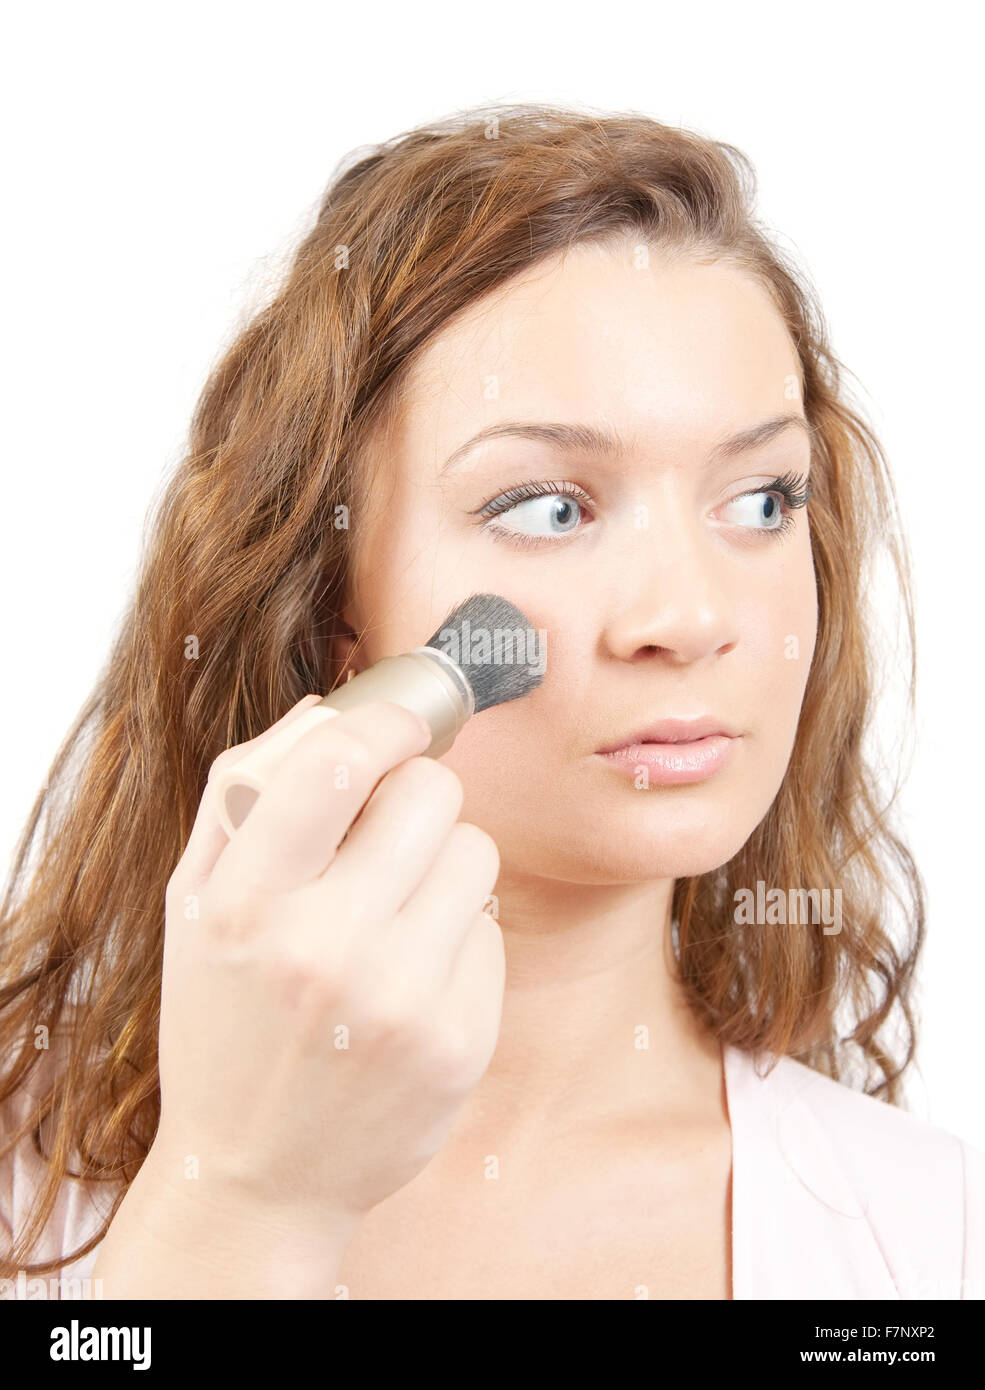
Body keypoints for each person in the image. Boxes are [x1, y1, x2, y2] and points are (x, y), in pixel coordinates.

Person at [2, 101, 981, 1301]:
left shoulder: (926, 1241)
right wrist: (239, 1205)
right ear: (331, 609)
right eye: (548, 507)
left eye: (762, 498)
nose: (688, 614)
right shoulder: (31, 1191)